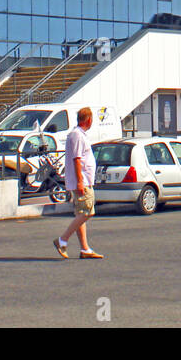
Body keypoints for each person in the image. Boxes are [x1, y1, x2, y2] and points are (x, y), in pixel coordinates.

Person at [53, 107, 103, 259]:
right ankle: (63, 239)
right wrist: (80, 181)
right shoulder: (77, 136)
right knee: (88, 211)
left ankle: (85, 249)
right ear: (88, 120)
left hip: (83, 180)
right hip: (82, 181)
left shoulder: (79, 135)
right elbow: (77, 158)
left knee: (81, 213)